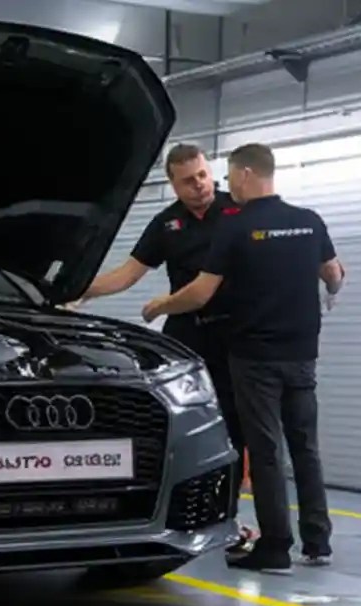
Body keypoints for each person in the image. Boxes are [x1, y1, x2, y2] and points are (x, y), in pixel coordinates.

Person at [141, 143, 344, 575]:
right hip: (302, 354)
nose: (223, 186)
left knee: (266, 451)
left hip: (253, 357)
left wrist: (160, 305)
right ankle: (318, 541)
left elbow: (200, 293)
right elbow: (335, 275)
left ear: (247, 174)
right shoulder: (309, 222)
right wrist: (328, 293)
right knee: (306, 446)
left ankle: (274, 546)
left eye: (229, 177)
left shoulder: (235, 226)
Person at [73, 143, 254, 554]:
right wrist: (78, 291)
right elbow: (127, 274)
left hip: (238, 334)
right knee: (189, 423)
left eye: (204, 175)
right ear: (172, 184)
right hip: (189, 336)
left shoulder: (238, 209)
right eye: (188, 181)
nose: (200, 186)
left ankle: (230, 517)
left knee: (239, 429)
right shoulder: (166, 224)